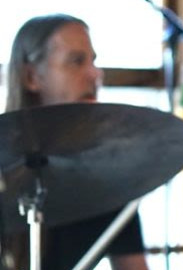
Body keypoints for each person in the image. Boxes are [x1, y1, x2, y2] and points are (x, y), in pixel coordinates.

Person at [4, 14, 150, 270]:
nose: (95, 74)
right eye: (76, 61)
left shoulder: (110, 182)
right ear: (32, 77)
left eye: (94, 61)